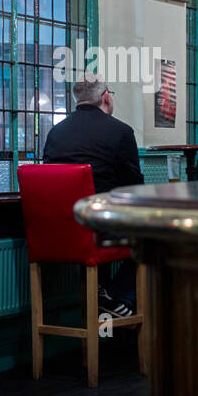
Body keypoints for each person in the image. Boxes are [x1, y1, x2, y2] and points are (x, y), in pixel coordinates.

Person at [41, 75, 144, 318]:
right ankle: (114, 297)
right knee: (153, 238)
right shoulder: (120, 131)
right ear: (106, 96)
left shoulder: (55, 133)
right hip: (100, 229)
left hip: (57, 231)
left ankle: (104, 297)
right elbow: (134, 187)